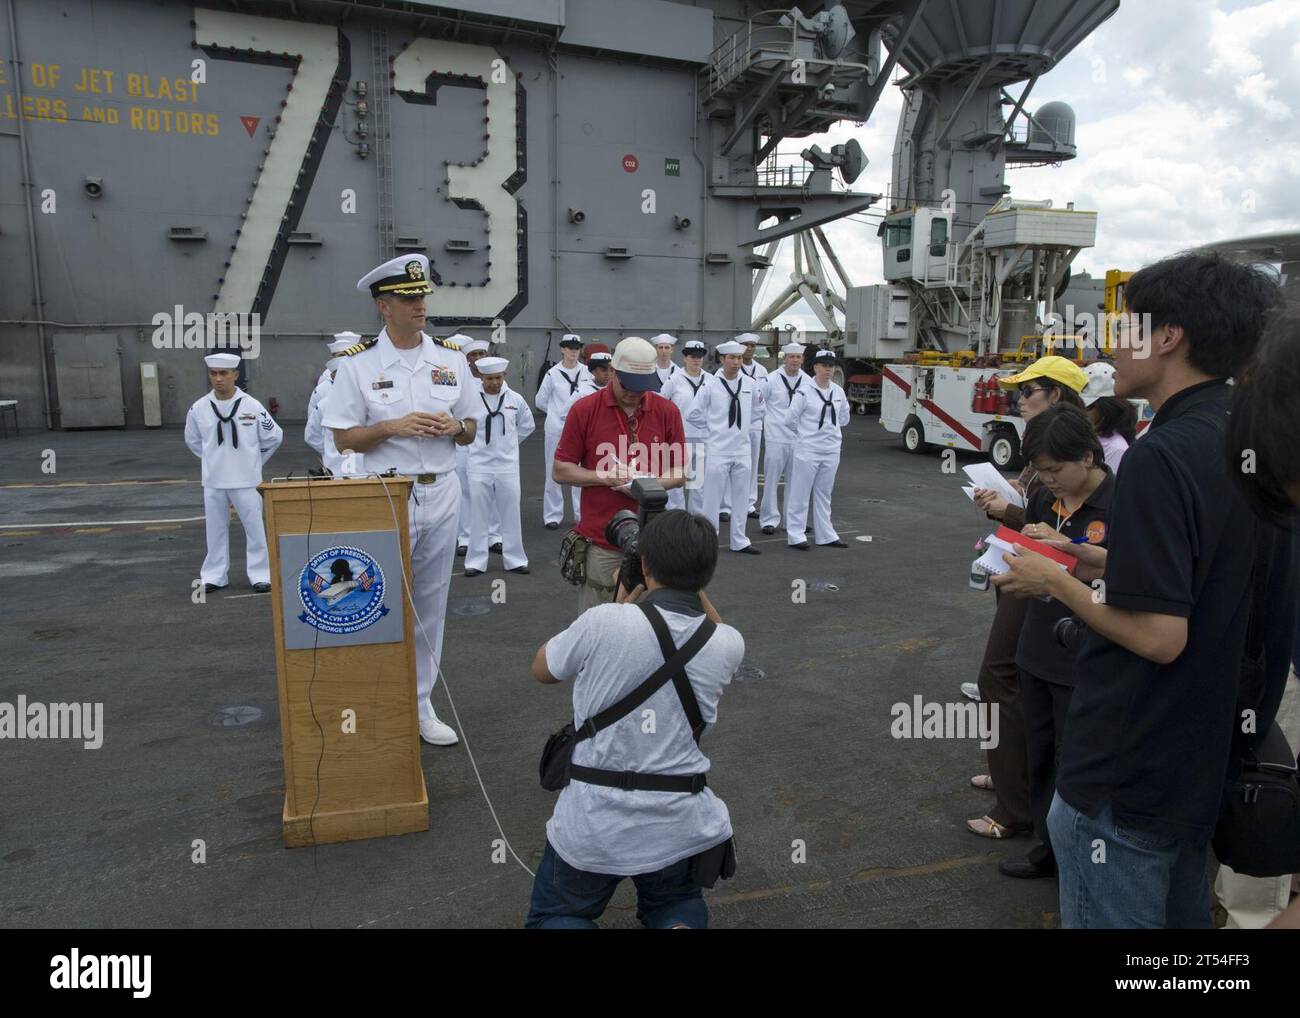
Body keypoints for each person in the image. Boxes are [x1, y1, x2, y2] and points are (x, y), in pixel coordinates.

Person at [993, 251, 1286, 928]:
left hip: (1128, 769)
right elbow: (1206, 581)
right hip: (1200, 757)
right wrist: (1091, 556)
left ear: (1169, 337)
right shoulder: (1246, 438)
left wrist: (1055, 579)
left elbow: (1158, 635)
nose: (1109, 342)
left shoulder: (1162, 453)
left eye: (1125, 326)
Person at [526, 510, 744, 929]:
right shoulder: (727, 644)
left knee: (561, 913)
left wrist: (618, 606)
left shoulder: (604, 622)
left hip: (592, 822)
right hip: (678, 818)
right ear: (707, 575)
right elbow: (719, 629)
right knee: (674, 906)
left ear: (644, 564)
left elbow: (542, 669)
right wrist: (692, 585)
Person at [319, 253, 478, 747]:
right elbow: (343, 438)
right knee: (377, 597)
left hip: (443, 488)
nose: (420, 305)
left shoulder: (451, 360)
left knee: (432, 600)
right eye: (408, 299)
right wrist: (392, 426)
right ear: (384, 307)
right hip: (387, 491)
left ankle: (420, 701)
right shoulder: (357, 366)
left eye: (422, 296)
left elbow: (471, 427)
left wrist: (454, 426)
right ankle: (372, 699)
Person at [964, 355, 1087, 840]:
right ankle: (1012, 775)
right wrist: (1010, 505)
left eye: (1028, 390)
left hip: (1049, 583)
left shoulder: (1090, 450)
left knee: (1001, 676)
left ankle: (1015, 803)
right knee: (1015, 681)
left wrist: (1018, 515)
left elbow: (1070, 532)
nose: (1019, 399)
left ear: (1056, 395)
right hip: (1030, 570)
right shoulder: (1050, 447)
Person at [996, 404, 1113, 881]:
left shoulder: (1124, 500)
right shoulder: (1045, 498)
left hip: (1087, 651)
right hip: (1038, 643)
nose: (1047, 481)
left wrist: (1067, 558)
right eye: (1040, 472)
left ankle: (1082, 854)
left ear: (1087, 457)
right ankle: (1049, 847)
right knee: (1040, 752)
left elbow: (1128, 575)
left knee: (1078, 760)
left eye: (1055, 470)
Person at [553, 337, 688, 609]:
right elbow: (560, 470)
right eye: (629, 385)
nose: (635, 394)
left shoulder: (666, 410)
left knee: (653, 625)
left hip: (655, 543)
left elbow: (681, 470)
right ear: (612, 371)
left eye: (643, 387)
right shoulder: (585, 410)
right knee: (599, 622)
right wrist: (606, 477)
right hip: (603, 542)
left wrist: (645, 485)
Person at [185, 352, 283, 593]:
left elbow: (273, 437)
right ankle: (214, 576)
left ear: (235, 375)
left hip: (247, 480)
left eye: (224, 373)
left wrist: (254, 461)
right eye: (213, 373)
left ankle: (261, 574)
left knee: (255, 530)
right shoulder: (199, 408)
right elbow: (193, 441)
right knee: (215, 530)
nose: (218, 379)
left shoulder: (252, 405)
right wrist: (213, 460)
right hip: (214, 480)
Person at [462, 356, 536, 577]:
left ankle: (515, 559)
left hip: (507, 466)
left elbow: (527, 425)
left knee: (511, 514)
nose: (494, 382)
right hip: (479, 465)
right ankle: (475, 561)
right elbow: (462, 426)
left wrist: (509, 445)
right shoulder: (470, 399)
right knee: (477, 515)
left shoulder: (515, 399)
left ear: (504, 376)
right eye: (489, 378)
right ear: (481, 377)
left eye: (498, 377)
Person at [689, 340, 762, 555]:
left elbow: (760, 409)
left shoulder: (750, 384)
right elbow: (693, 414)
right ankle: (709, 541)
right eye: (732, 358)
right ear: (722, 360)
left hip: (742, 449)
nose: (736, 362)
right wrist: (713, 430)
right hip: (718, 450)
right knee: (711, 500)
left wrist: (744, 428)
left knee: (740, 498)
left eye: (739, 358)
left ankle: (739, 540)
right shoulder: (709, 385)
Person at [783, 348, 849, 549]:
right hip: (808, 450)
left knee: (824, 494)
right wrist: (807, 435)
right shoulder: (804, 391)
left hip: (831, 449)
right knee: (800, 493)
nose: (829, 370)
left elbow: (844, 418)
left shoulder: (837, 391)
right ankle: (796, 534)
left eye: (831, 366)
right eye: (825, 366)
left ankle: (826, 535)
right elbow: (790, 420)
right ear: (815, 367)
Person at [536, 334, 592, 530]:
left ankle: (580, 514)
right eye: (569, 347)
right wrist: (556, 414)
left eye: (576, 347)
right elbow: (540, 401)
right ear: (562, 349)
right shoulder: (552, 373)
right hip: (556, 428)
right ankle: (552, 515)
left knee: (580, 470)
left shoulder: (587, 372)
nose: (573, 351)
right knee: (553, 469)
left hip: (580, 429)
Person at [454, 337, 502, 558]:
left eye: (481, 354)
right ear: (466, 360)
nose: (478, 359)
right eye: (473, 356)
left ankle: (495, 536)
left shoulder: (497, 381)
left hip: (490, 447)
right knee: (465, 492)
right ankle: (465, 537)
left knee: (493, 491)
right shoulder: (459, 383)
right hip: (465, 446)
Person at [759, 342, 805, 535]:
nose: (794, 360)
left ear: (802, 359)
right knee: (772, 479)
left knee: (796, 482)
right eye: (791, 356)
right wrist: (768, 424)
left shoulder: (808, 381)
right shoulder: (771, 380)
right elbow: (759, 403)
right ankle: (769, 519)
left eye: (798, 357)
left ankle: (792, 520)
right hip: (776, 436)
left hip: (799, 438)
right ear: (784, 358)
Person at [661, 339, 710, 515]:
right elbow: (661, 404)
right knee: (676, 482)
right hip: (679, 437)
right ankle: (677, 516)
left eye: (699, 356)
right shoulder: (674, 380)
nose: (696, 360)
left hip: (703, 437)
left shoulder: (710, 380)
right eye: (692, 356)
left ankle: (697, 517)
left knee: (698, 483)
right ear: (685, 358)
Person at [304, 333, 358, 475]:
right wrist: (331, 449)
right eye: (337, 355)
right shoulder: (322, 392)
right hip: (336, 466)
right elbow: (313, 431)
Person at [728, 333, 768, 520]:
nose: (749, 348)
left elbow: (763, 399)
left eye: (752, 345)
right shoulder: (732, 368)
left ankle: (749, 503)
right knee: (729, 465)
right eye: (746, 345)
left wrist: (752, 419)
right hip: (734, 425)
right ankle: (727, 505)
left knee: (751, 465)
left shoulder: (762, 370)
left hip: (754, 425)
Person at [1079, 361, 1135, 474]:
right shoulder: (1090, 438)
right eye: (1079, 406)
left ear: (1107, 410)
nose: (1082, 413)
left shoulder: (1116, 449)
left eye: (1088, 407)